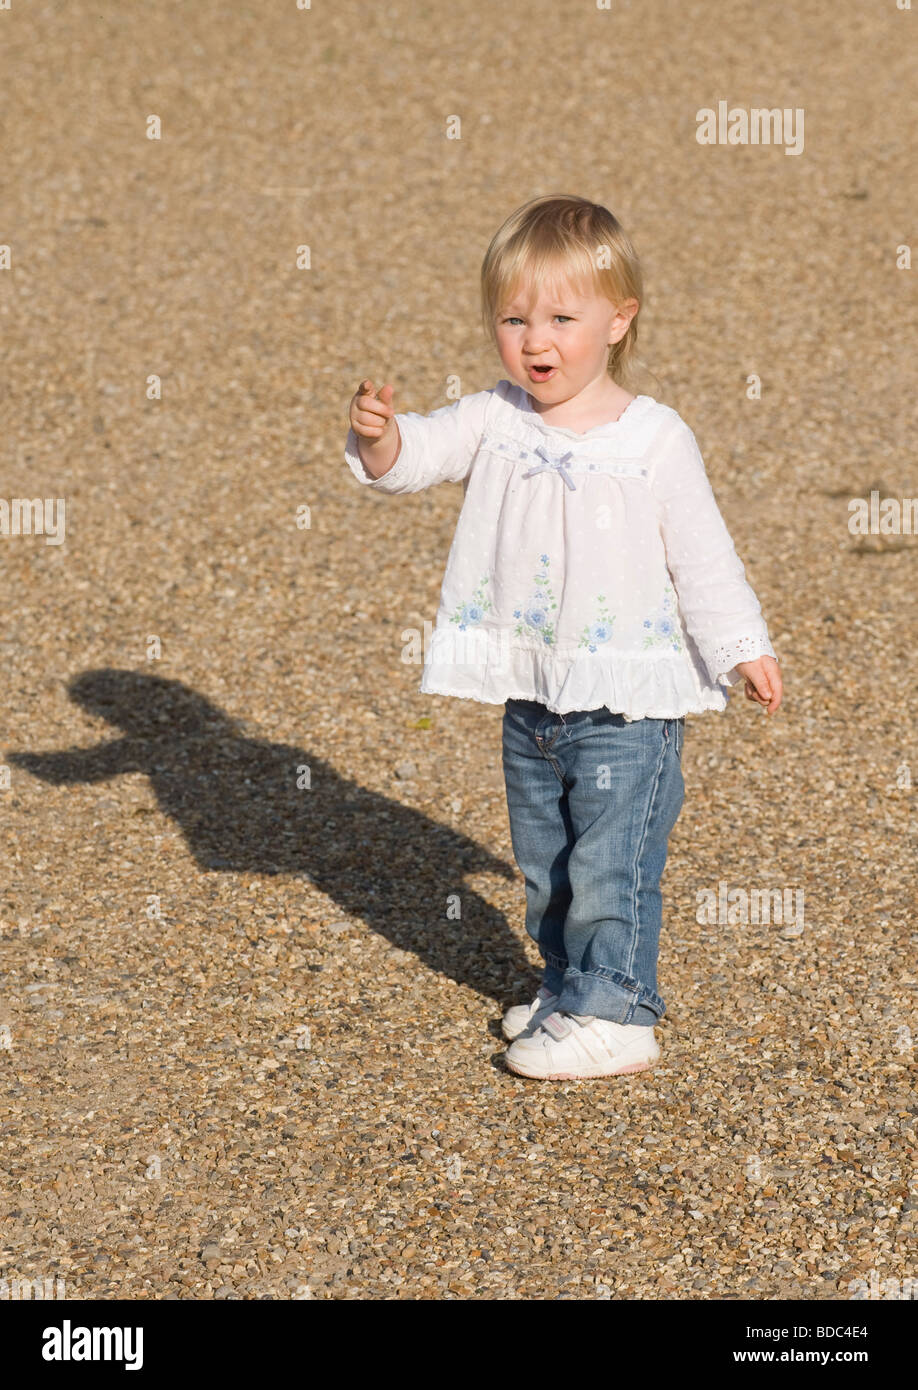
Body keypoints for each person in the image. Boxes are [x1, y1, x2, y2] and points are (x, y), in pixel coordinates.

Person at [344, 193, 783, 1081]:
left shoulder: (654, 439)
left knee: (611, 864)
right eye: (512, 318)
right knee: (547, 863)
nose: (533, 340)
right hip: (535, 690)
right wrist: (385, 439)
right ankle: (569, 990)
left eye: (559, 318)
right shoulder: (497, 416)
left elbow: (702, 552)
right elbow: (417, 459)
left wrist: (742, 643)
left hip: (626, 703)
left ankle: (620, 1011)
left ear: (619, 321)